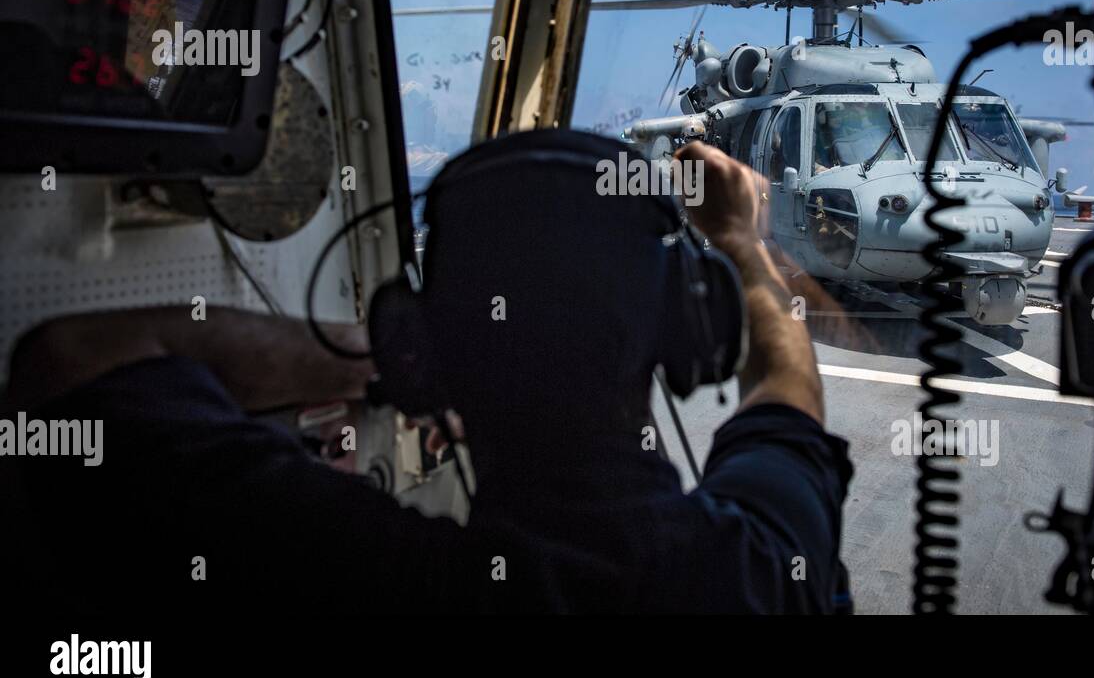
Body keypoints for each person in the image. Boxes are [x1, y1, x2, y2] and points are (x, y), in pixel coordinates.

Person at [4, 135, 852, 613]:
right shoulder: (767, 569)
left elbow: (68, 360)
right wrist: (740, 241)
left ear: (418, 349)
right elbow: (789, 398)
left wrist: (437, 354)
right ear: (689, 325)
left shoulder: (356, 573)